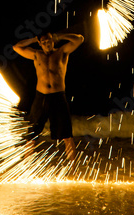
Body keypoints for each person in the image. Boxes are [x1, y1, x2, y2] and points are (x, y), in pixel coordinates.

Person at [13, 31, 84, 160]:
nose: (47, 44)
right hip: (41, 97)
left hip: (58, 97)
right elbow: (16, 47)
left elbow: (79, 39)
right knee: (31, 135)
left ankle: (73, 169)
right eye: (44, 42)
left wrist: (61, 36)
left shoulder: (62, 52)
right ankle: (26, 168)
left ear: (53, 41)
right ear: (40, 44)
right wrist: (34, 39)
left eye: (49, 41)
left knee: (67, 135)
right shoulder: (36, 54)